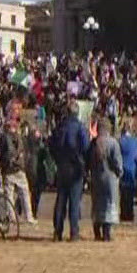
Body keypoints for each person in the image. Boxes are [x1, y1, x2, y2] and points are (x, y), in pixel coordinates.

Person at [48, 103, 89, 241]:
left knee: (61, 199)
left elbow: (51, 144)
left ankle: (57, 232)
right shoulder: (80, 127)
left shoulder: (60, 126)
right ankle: (74, 232)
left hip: (61, 165)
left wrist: (57, 159)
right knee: (74, 200)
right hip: (75, 166)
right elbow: (85, 146)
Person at [88, 118, 124, 241]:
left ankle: (97, 233)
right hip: (110, 177)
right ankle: (107, 234)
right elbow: (117, 162)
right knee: (109, 204)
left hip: (96, 177)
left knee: (97, 204)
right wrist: (119, 173)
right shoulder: (113, 143)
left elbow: (89, 161)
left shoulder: (94, 143)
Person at [117, 122, 137, 225]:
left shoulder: (120, 141)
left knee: (123, 194)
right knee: (130, 194)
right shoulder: (135, 141)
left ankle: (123, 214)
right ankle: (130, 214)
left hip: (122, 168)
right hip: (133, 169)